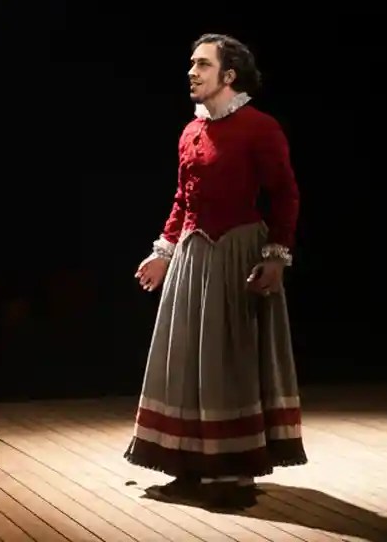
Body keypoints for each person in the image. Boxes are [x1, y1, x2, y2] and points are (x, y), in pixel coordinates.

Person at [124, 33, 306, 509]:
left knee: (230, 359)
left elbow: (284, 195)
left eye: (202, 65)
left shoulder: (259, 127)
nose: (192, 72)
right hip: (193, 254)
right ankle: (190, 465)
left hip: (236, 253)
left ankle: (236, 473)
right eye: (191, 64)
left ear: (229, 75)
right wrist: (163, 252)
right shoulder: (191, 131)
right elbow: (183, 200)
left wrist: (275, 255)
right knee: (186, 358)